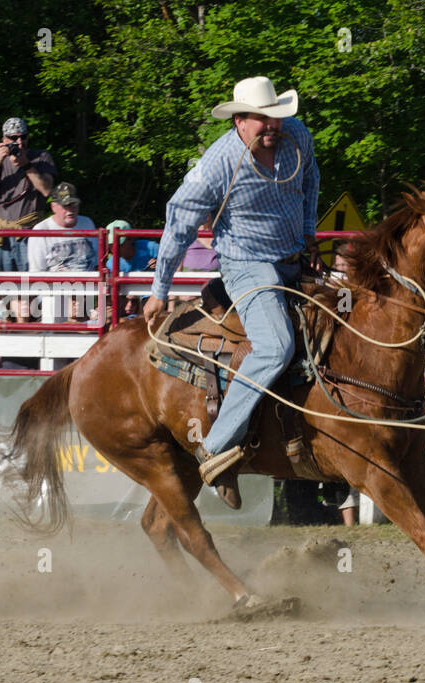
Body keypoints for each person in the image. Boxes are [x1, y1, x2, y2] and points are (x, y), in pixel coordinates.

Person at [142, 76, 320, 506]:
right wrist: (159, 288)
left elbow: (311, 179)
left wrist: (310, 233)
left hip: (293, 255)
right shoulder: (220, 162)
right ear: (239, 120)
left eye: (274, 116)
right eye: (260, 119)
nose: (271, 126)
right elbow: (180, 217)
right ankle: (216, 446)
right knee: (276, 346)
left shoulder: (297, 138)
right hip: (246, 263)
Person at [0, 117, 57, 273]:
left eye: (23, 137)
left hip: (30, 234)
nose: (19, 142)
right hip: (1, 235)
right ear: (4, 140)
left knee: (30, 287)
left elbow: (46, 190)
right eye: (13, 138)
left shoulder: (41, 157)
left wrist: (26, 165)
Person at [28, 183, 98, 322]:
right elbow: (37, 274)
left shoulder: (87, 223)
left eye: (73, 204)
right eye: (65, 205)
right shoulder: (41, 230)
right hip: (55, 293)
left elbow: (95, 263)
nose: (70, 209)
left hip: (88, 292)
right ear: (53, 206)